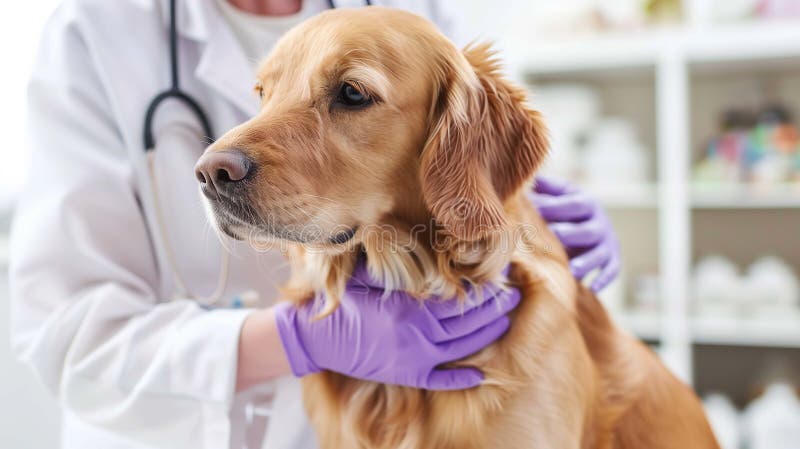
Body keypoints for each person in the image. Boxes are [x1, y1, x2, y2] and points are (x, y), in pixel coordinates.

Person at [9, 1, 621, 448]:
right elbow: (61, 332)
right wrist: (302, 339)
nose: (229, 155)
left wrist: (531, 209)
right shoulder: (92, 32)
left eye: (351, 95)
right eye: (263, 95)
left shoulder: (418, 15)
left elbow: (466, 164)